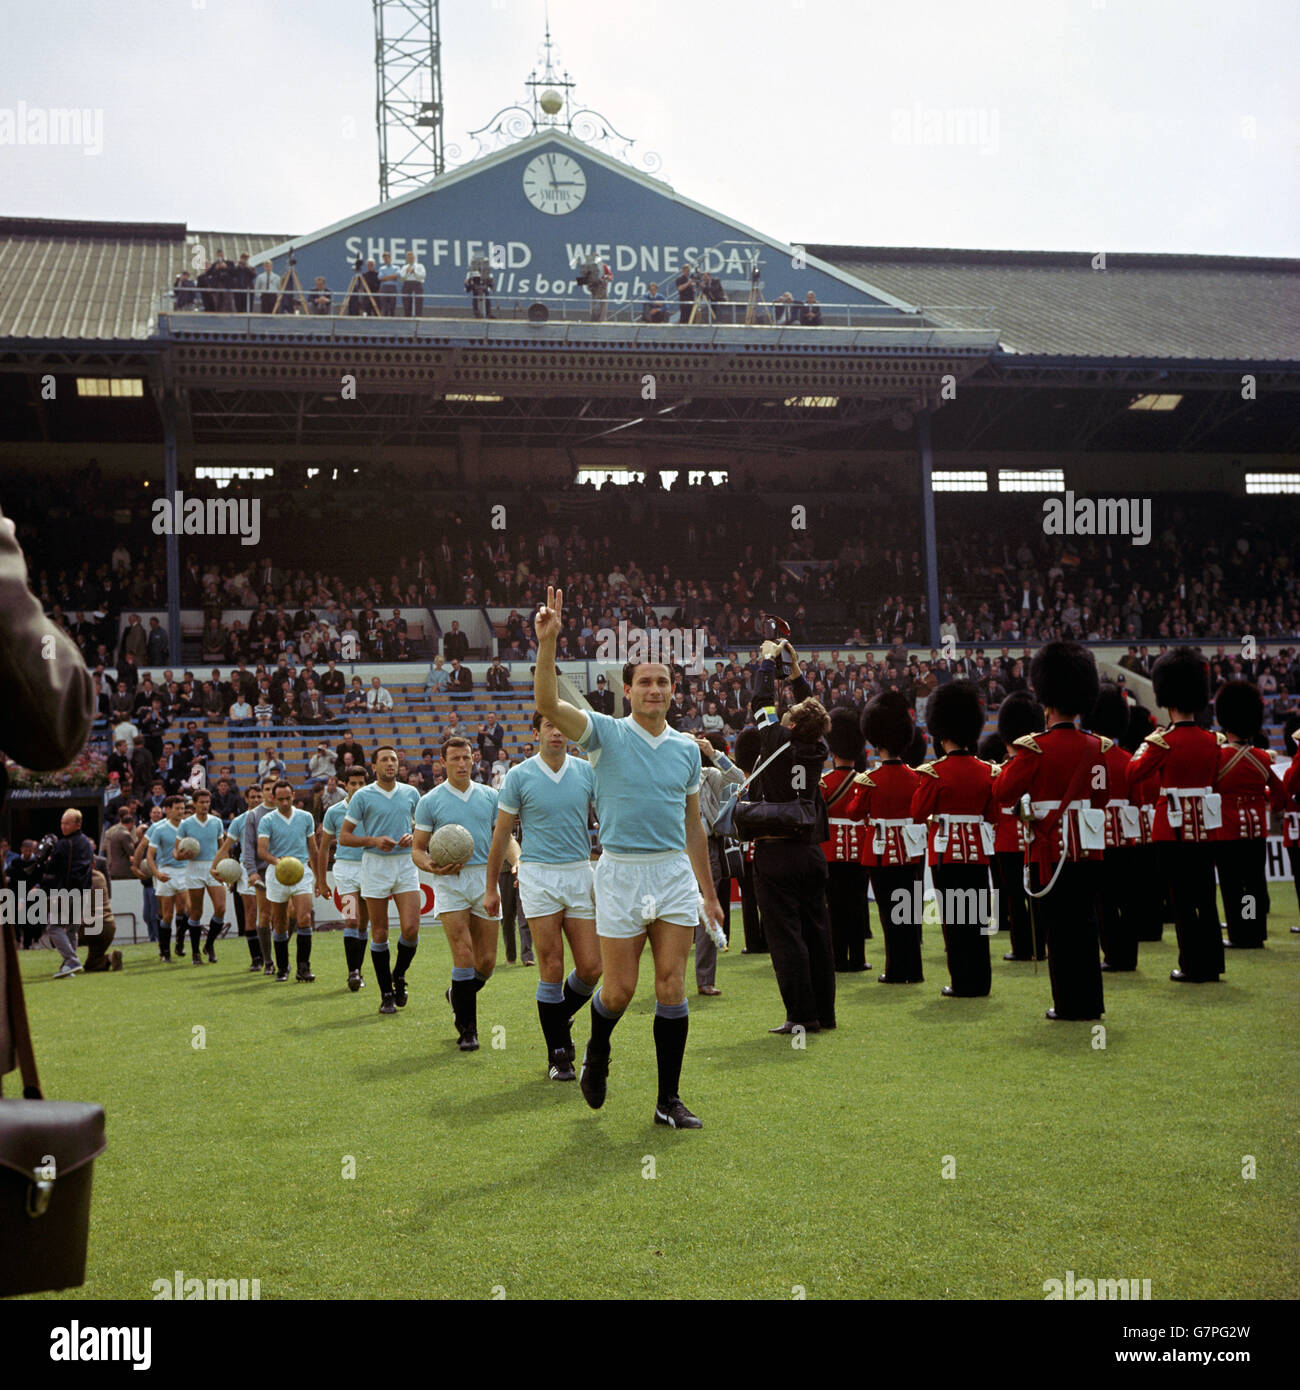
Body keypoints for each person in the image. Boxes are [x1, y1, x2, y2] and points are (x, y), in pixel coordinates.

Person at [534, 586, 724, 1129]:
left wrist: (708, 893)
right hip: (619, 872)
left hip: (672, 874)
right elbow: (547, 704)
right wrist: (549, 644)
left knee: (672, 984)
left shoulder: (688, 750)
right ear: (628, 688)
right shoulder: (604, 735)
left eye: (663, 681)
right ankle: (597, 1050)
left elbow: (693, 827)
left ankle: (668, 1102)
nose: (655, 689)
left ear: (673, 689)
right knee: (618, 990)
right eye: (645, 681)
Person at [994, 642, 1108, 1019]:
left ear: (1047, 702)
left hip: (1050, 849)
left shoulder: (1035, 749)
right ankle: (1091, 1003)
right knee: (1086, 922)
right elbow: (1102, 796)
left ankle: (1067, 1004)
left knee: (1058, 928)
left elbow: (1002, 792)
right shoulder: (1096, 747)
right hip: (1087, 849)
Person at [484, 712, 598, 1079]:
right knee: (551, 965)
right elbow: (501, 835)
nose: (556, 731)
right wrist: (490, 887)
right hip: (539, 876)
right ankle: (558, 1055)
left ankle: (558, 1015)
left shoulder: (587, 771)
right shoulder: (519, 775)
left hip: (580, 872)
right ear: (535, 733)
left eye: (561, 725)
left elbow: (608, 817)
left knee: (592, 967)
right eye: (548, 725)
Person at [744, 640, 835, 1036]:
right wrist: (794, 672)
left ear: (792, 724)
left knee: (786, 938)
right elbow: (814, 711)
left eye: (789, 714)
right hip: (810, 850)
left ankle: (801, 1015)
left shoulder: (775, 740)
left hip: (776, 851)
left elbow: (760, 699)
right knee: (817, 933)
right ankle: (825, 1013)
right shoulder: (818, 747)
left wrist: (767, 661)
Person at [1126, 649, 1223, 984]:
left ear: (1167, 699)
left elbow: (1133, 775)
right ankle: (1212, 963)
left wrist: (1146, 744)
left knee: (1182, 901)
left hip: (1172, 828)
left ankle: (1191, 964)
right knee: (1206, 898)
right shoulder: (1212, 740)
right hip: (1205, 828)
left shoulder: (1162, 742)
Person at [413, 736, 515, 1051]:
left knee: (486, 962)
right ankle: (468, 1031)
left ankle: (456, 994)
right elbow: (418, 849)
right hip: (450, 881)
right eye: (455, 758)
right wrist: (430, 866)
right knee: (464, 954)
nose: (461, 763)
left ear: (474, 761)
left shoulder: (490, 796)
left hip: (485, 878)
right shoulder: (429, 801)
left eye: (466, 758)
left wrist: (517, 862)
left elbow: (505, 837)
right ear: (442, 763)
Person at [911, 682, 998, 999]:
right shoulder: (986, 771)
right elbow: (993, 815)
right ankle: (981, 981)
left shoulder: (935, 772)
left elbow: (918, 813)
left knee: (955, 921)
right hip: (977, 853)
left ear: (941, 732)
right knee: (977, 919)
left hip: (946, 853)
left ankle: (962, 982)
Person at [340, 747, 422, 1014]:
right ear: (374, 766)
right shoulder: (363, 796)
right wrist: (373, 840)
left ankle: (398, 974)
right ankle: (386, 993)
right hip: (375, 865)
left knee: (410, 929)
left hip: (405, 864)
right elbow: (345, 837)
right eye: (385, 759)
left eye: (394, 759)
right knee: (379, 932)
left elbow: (420, 827)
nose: (390, 763)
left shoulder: (411, 793)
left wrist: (413, 835)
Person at [850, 693, 925, 983]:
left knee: (889, 914)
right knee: (909, 912)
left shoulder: (869, 780)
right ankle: (914, 970)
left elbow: (856, 813)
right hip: (910, 850)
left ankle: (895, 969)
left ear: (875, 741)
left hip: (880, 852)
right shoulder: (917, 777)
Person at [1212, 682, 1283, 949]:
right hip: (1256, 829)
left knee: (1233, 886)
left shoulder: (1218, 757)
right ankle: (1254, 931)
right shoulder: (1263, 758)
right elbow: (1278, 797)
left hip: (1227, 828)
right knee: (1252, 883)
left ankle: (1239, 933)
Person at [1084, 684, 1140, 972]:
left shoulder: (1091, 757)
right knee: (1128, 900)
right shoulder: (1128, 758)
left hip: (1097, 839)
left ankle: (1113, 954)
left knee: (1103, 902)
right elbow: (1138, 799)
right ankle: (1128, 955)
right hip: (1127, 839)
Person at [992, 692, 1046, 962]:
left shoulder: (1006, 770)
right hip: (1032, 838)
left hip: (1008, 841)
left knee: (1016, 896)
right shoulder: (1036, 765)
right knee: (1034, 895)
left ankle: (1023, 947)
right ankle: (1038, 944)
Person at [692, 734, 745, 997]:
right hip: (672, 849)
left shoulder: (708, 773)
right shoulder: (663, 774)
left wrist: (715, 753)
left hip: (708, 848)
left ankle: (704, 979)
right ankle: (668, 978)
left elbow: (739, 780)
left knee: (707, 914)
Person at [821, 708, 871, 972]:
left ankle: (837, 958)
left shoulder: (825, 783)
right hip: (860, 851)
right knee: (857, 905)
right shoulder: (865, 782)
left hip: (831, 853)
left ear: (833, 752)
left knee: (834, 909)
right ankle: (858, 958)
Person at [257, 780, 320, 983]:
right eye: (280, 799)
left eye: (288, 798)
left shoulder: (305, 817)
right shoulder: (267, 820)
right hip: (277, 874)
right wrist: (279, 862)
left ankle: (304, 967)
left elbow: (313, 848)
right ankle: (282, 967)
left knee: (304, 918)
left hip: (302, 871)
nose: (284, 802)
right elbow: (262, 850)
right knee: (280, 921)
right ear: (273, 798)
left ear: (293, 795)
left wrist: (320, 878)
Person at [317, 766, 371, 990]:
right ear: (344, 785)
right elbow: (323, 849)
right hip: (346, 870)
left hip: (371, 868)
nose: (357, 788)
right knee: (351, 919)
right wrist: (321, 881)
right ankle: (353, 972)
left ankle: (358, 968)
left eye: (361, 783)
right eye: (353, 783)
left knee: (364, 923)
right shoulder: (334, 811)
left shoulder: (373, 808)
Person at [214, 784, 265, 971]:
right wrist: (214, 867)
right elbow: (226, 847)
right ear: (246, 799)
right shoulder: (239, 821)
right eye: (253, 797)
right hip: (247, 869)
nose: (256, 799)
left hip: (270, 868)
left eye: (259, 796)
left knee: (272, 914)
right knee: (251, 913)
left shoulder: (272, 817)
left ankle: (271, 956)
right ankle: (257, 959)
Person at [44, 809, 97, 979]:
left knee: (54, 928)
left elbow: (52, 869)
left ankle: (71, 961)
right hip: (82, 892)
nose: (63, 826)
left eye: (67, 823)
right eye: (62, 823)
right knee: (72, 930)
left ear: (77, 824)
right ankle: (68, 967)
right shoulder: (87, 844)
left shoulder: (64, 844)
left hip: (65, 892)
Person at [178, 788, 228, 964]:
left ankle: (210, 944)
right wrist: (182, 855)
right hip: (194, 868)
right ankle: (195, 953)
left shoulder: (216, 822)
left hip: (213, 867)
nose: (205, 805)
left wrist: (226, 868)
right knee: (196, 912)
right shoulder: (185, 824)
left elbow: (223, 848)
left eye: (208, 802)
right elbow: (176, 852)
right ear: (194, 803)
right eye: (202, 802)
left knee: (221, 908)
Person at [241, 775, 282, 976]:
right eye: (267, 789)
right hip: (263, 871)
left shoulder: (287, 812)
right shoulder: (254, 816)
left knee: (292, 914)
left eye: (273, 788)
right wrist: (252, 872)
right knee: (265, 914)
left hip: (287, 870)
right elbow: (248, 846)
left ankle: (280, 949)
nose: (270, 792)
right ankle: (268, 961)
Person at [144, 794, 189, 963]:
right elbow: (149, 855)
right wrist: (156, 873)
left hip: (184, 871)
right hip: (166, 872)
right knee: (167, 914)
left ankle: (179, 942)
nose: (180, 812)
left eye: (183, 809)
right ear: (168, 810)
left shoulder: (187, 826)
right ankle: (164, 950)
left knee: (187, 910)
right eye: (177, 808)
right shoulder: (160, 829)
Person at [81, 856, 123, 973]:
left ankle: (69, 961)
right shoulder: (100, 876)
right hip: (108, 927)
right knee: (91, 965)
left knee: (59, 932)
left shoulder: (79, 879)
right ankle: (111, 957)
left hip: (89, 927)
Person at [401, 250, 426, 316]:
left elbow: (422, 276)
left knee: (418, 302)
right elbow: (402, 278)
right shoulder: (404, 267)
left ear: (414, 257)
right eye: (408, 257)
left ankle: (418, 318)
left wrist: (414, 273)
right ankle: (407, 318)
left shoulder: (420, 266)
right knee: (407, 303)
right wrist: (406, 273)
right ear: (407, 258)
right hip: (407, 284)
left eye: (411, 257)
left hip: (417, 284)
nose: (410, 258)